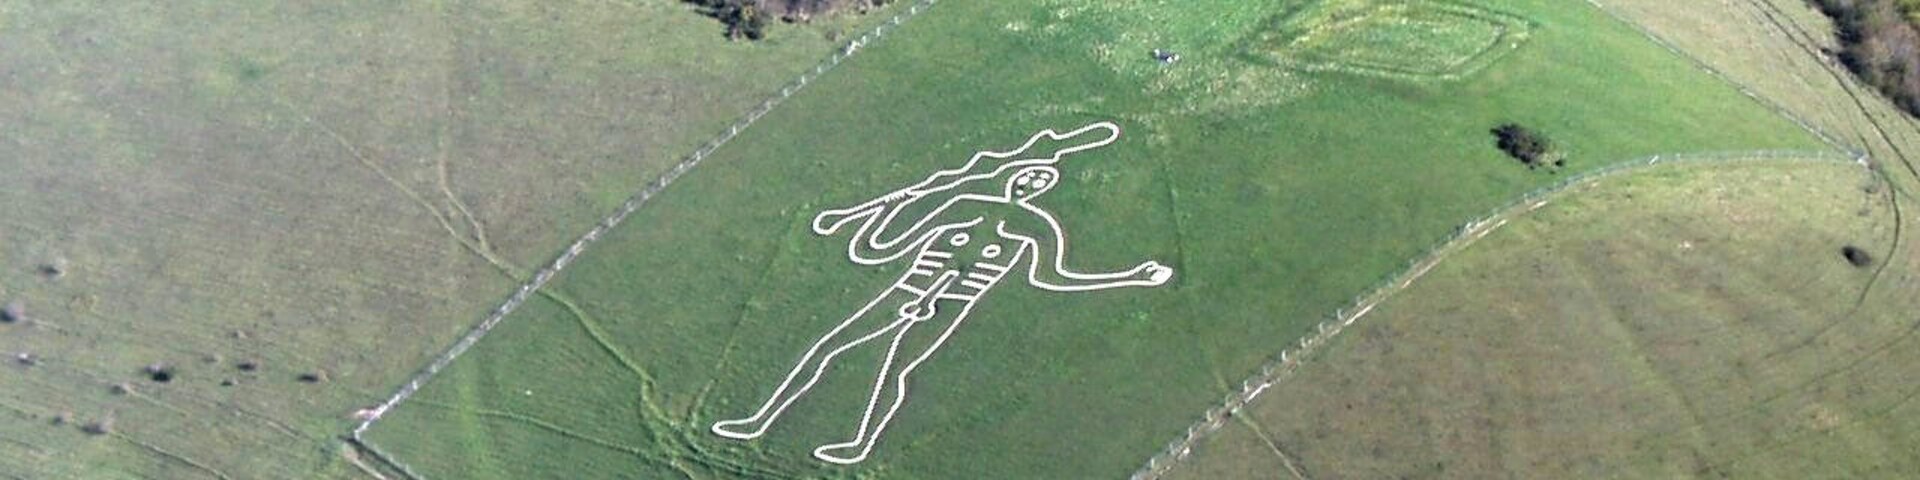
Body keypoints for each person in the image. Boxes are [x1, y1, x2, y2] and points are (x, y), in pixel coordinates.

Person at [709, 122, 1172, 465]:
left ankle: (857, 443)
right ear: (1013, 177)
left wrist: (1130, 277)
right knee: (828, 348)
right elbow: (879, 251)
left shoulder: (1035, 225)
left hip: (948, 306)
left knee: (895, 370)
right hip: (904, 290)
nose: (1031, 183)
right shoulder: (965, 204)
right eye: (1028, 175)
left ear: (1044, 190)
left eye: (1041, 182)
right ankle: (758, 421)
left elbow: (1051, 277)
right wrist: (883, 212)